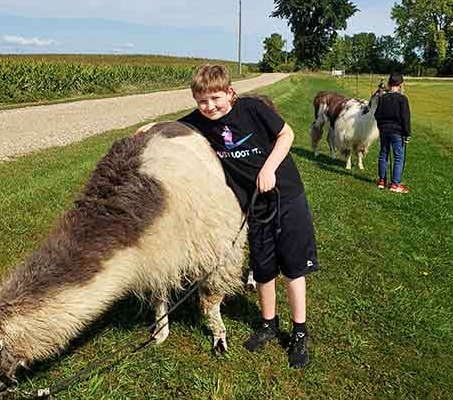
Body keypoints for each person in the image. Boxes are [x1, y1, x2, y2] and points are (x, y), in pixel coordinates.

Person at [136, 65, 318, 368]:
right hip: (252, 205)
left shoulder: (252, 108)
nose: (209, 107)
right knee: (263, 267)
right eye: (202, 102)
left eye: (216, 99)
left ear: (230, 93)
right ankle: (268, 324)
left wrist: (269, 168)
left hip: (285, 196)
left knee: (293, 267)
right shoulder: (203, 121)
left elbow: (287, 134)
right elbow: (176, 127)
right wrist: (150, 127)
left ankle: (299, 332)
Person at [374, 72, 411, 193]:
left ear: (390, 84)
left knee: (383, 154)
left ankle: (382, 181)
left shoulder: (382, 98)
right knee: (399, 157)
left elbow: (377, 115)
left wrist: (380, 127)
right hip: (397, 132)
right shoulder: (402, 99)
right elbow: (405, 118)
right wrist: (407, 134)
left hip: (384, 130)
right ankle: (395, 184)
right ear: (400, 85)